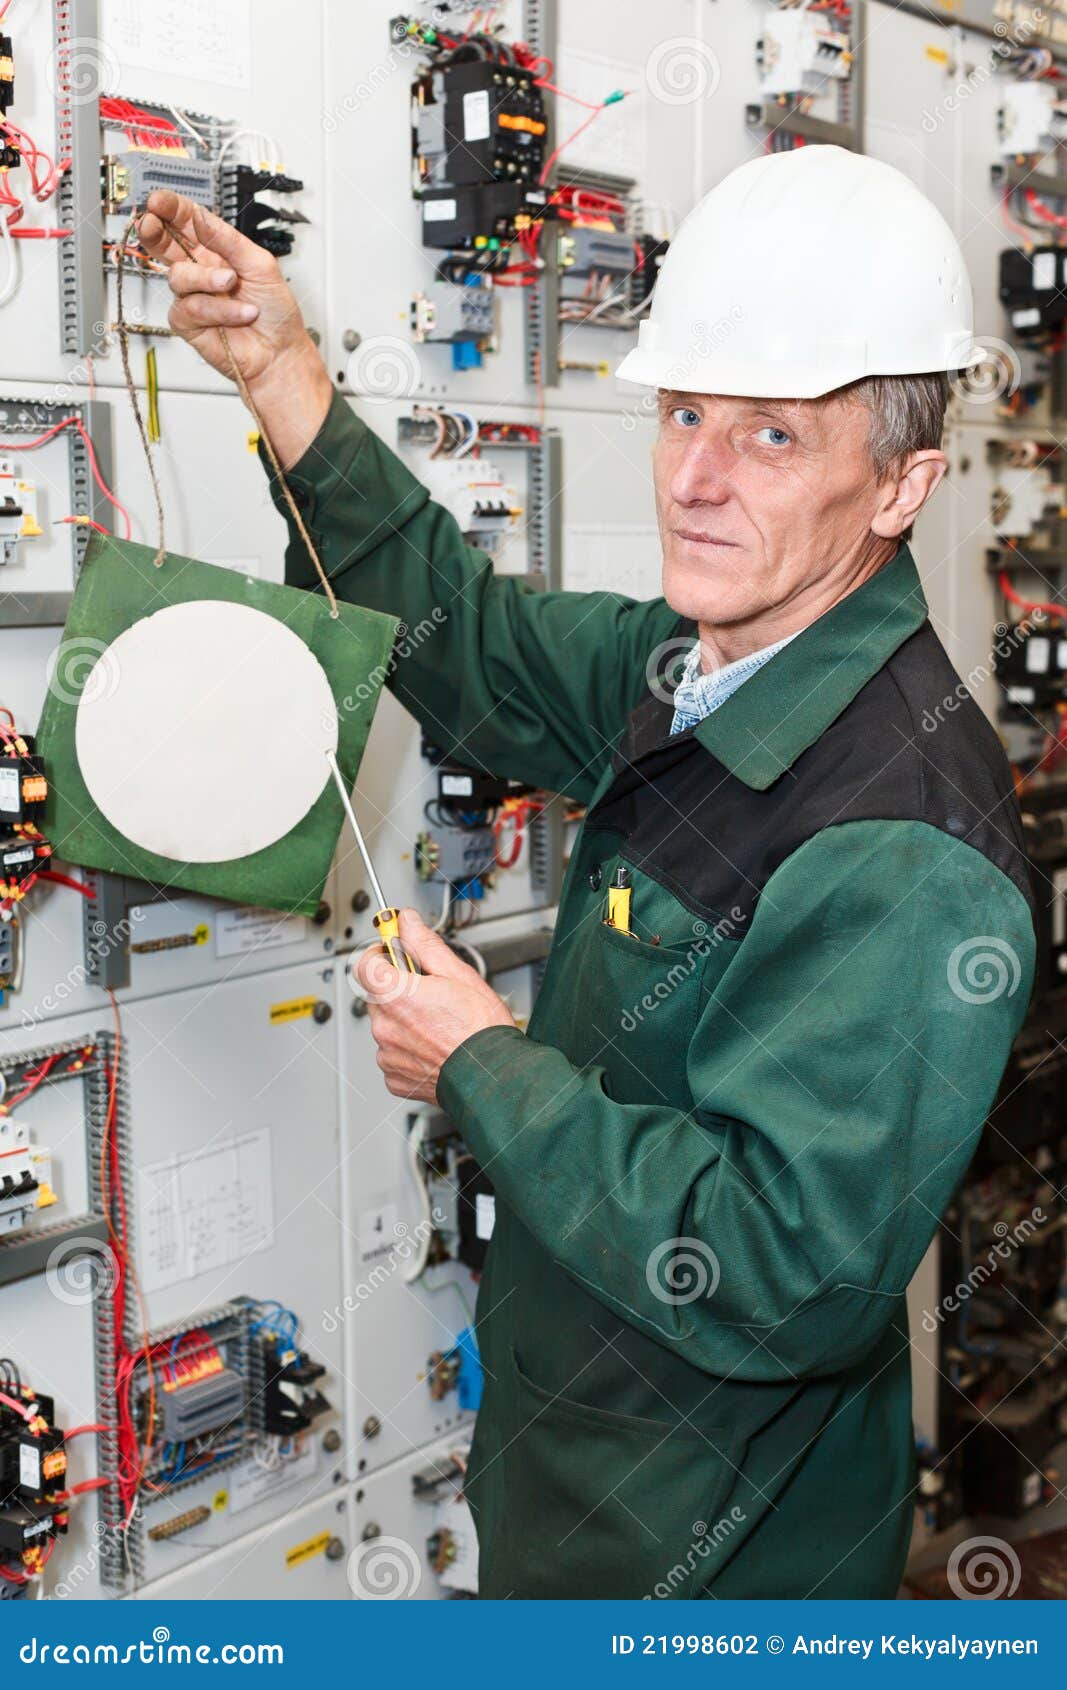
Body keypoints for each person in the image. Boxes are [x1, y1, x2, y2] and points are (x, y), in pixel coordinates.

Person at [140, 145, 1036, 1599]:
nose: (691, 476)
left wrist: (485, 1066)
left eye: (771, 437)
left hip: (720, 1562)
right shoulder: (701, 669)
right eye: (683, 411)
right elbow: (468, 645)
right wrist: (283, 370)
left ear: (903, 483)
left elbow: (783, 1268)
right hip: (575, 1495)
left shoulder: (908, 842)